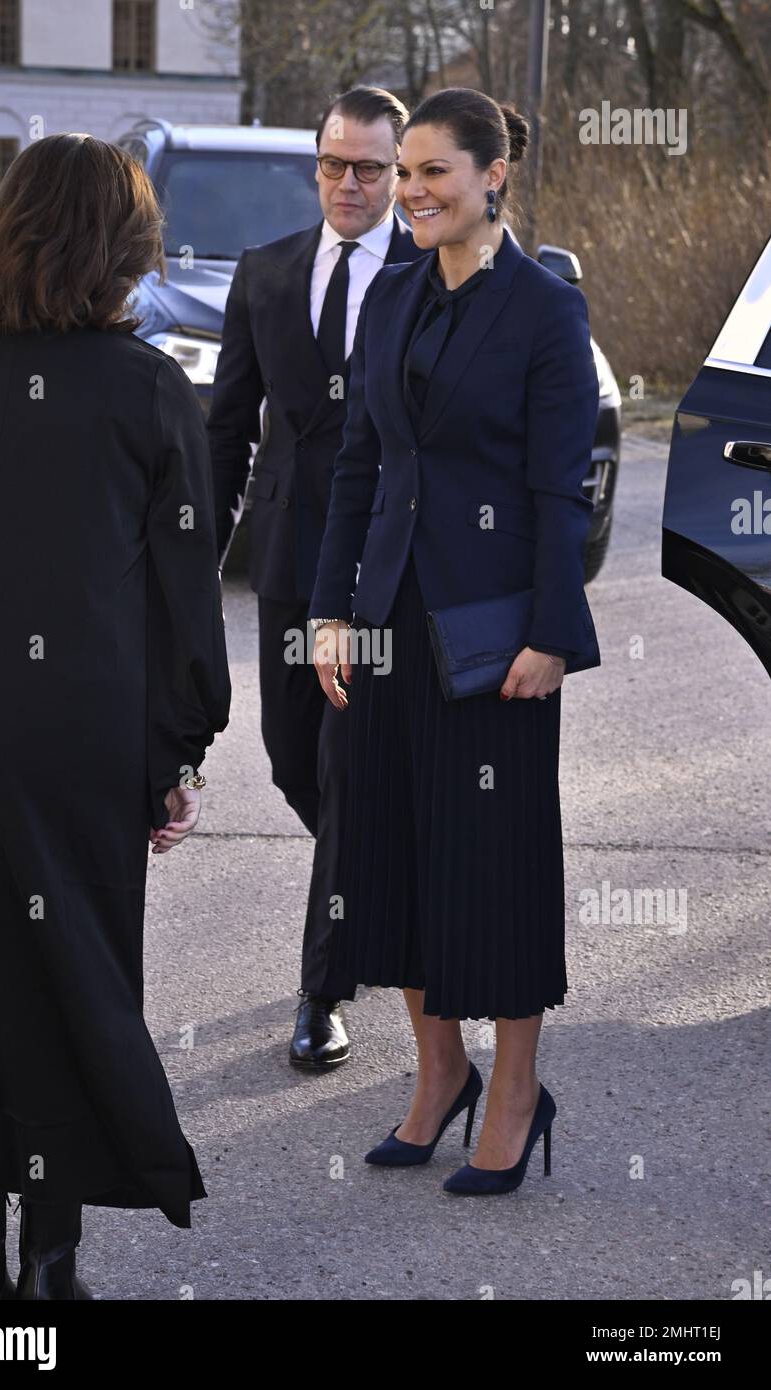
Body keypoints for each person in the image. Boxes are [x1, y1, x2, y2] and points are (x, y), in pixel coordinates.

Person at [0, 133, 231, 1298]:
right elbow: (180, 597)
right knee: (68, 974)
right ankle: (48, 1262)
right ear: (120, 251)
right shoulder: (148, 389)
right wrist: (174, 752)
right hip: (78, 734)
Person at [309, 88, 600, 1194]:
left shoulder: (543, 308)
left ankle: (516, 1093)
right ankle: (439, 1078)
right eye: (408, 173)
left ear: (493, 179)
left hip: (494, 643)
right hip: (384, 626)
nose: (414, 191)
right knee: (393, 860)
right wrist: (329, 610)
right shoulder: (387, 298)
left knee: (495, 868)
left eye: (435, 172)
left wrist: (550, 633)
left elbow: (556, 489)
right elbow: (355, 468)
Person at [207, 87, 427, 1070]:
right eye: (336, 164)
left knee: (343, 766)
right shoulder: (262, 275)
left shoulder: (432, 276)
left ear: (397, 171)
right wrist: (189, 557)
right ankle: (373, 879)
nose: (350, 182)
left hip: (387, 572)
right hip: (291, 562)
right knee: (293, 756)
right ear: (317, 165)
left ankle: (324, 985)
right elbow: (224, 433)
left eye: (370, 168)